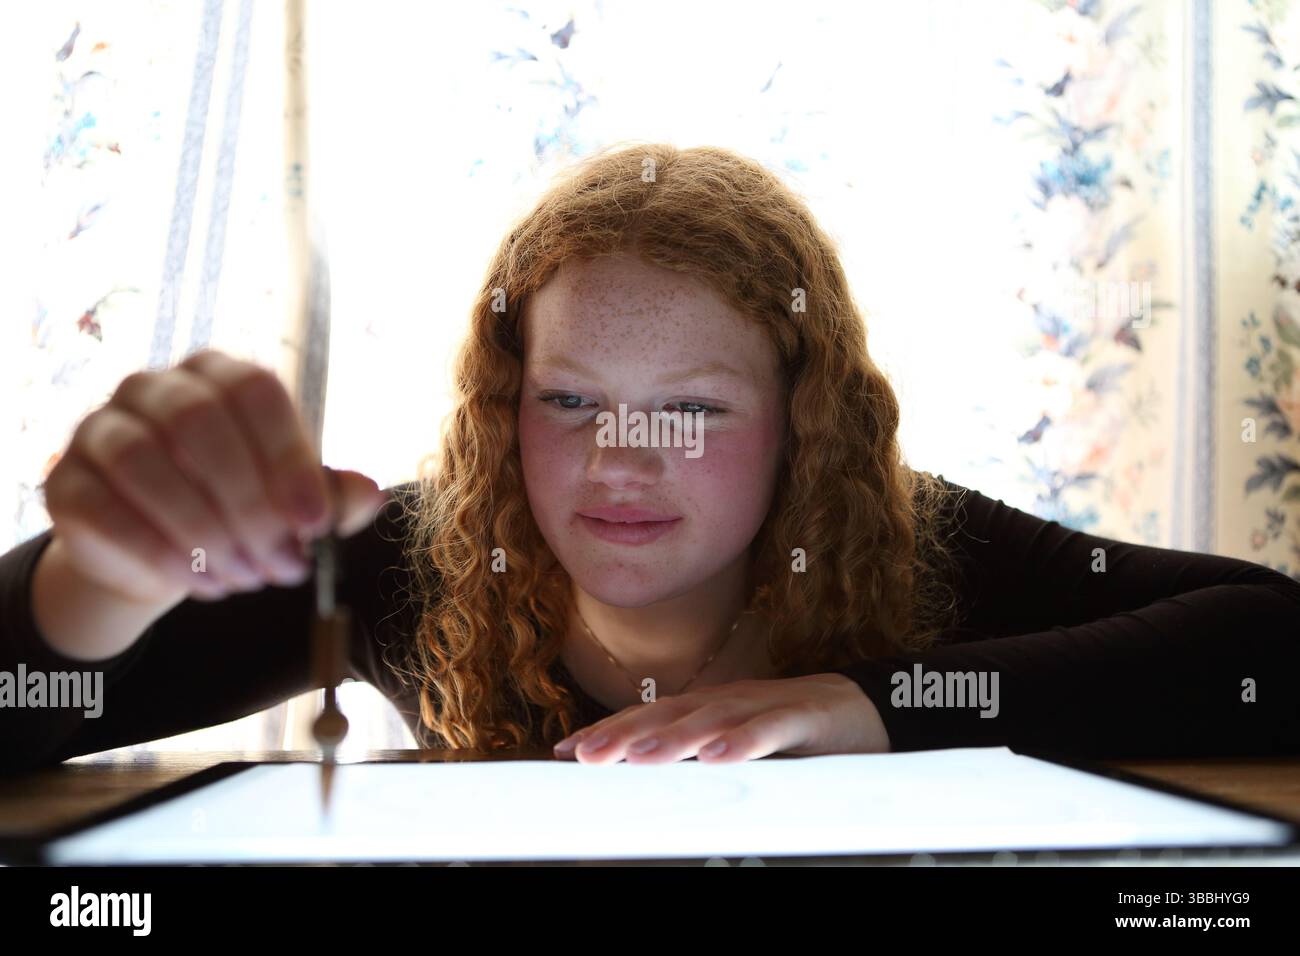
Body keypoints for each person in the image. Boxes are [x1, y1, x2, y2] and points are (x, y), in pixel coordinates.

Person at [2, 143, 1298, 775]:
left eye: (689, 409)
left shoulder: (911, 541)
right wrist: (107, 577)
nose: (620, 460)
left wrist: (879, 705)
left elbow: (1268, 645)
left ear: (804, 424)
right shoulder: (415, 554)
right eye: (569, 399)